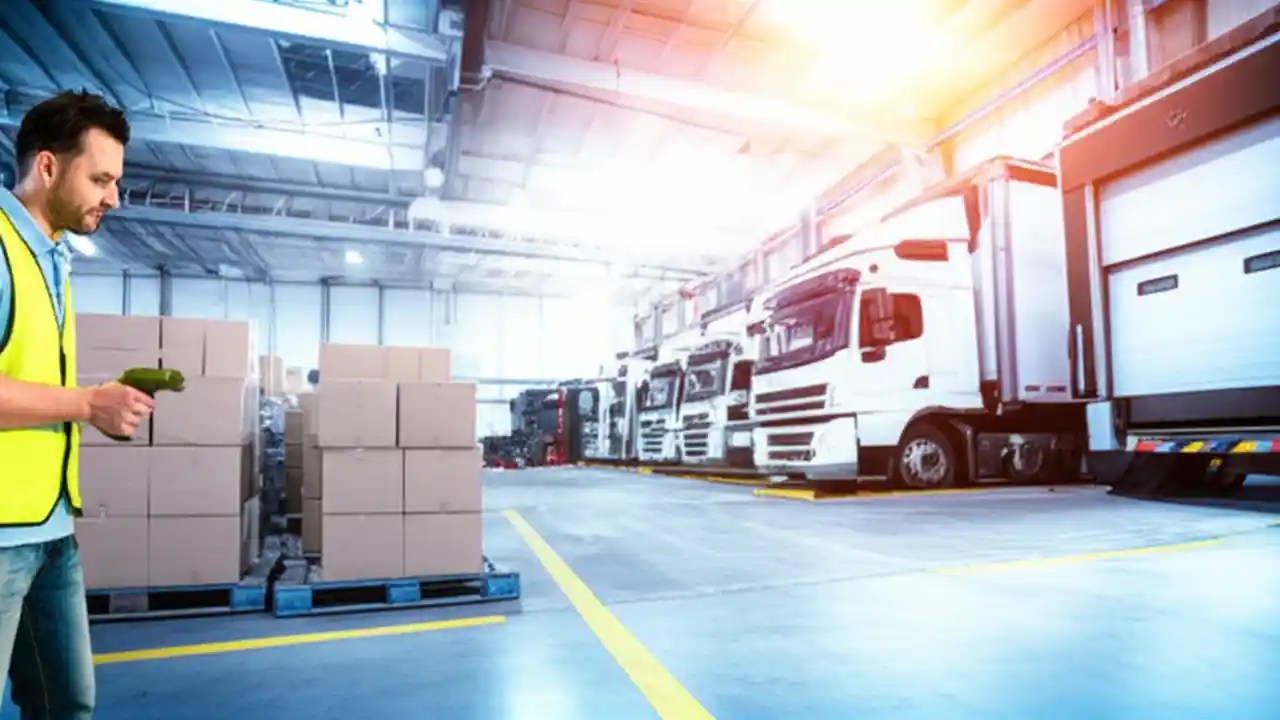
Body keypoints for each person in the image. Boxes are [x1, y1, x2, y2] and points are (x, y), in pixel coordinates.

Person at [0, 91, 156, 718]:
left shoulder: (53, 258)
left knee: (66, 704)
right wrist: (89, 403)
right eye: (100, 179)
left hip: (51, 529)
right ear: (47, 166)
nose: (113, 197)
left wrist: (94, 403)